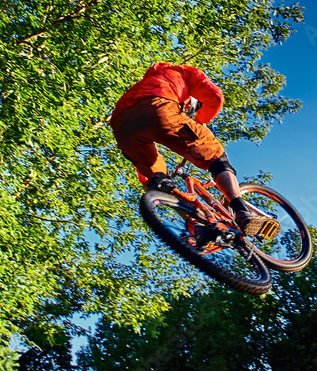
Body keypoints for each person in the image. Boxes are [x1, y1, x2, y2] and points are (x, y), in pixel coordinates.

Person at [109, 61, 280, 239]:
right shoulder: (184, 72)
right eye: (192, 108)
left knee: (155, 179)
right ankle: (242, 211)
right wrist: (199, 121)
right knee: (215, 155)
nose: (189, 111)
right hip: (158, 106)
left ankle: (198, 225)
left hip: (121, 125)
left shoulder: (148, 81)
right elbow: (215, 98)